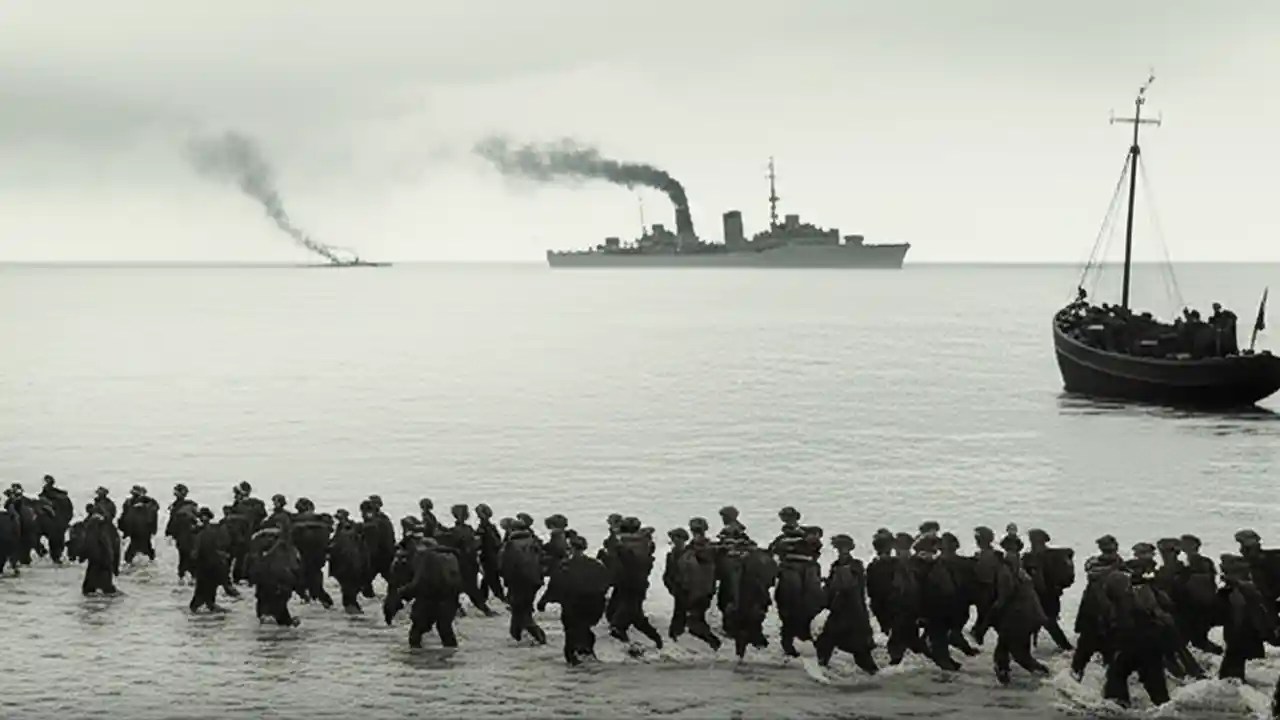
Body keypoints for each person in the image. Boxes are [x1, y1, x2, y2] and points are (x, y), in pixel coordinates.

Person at [814, 534, 877, 673]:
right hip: (840, 611)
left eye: (844, 547)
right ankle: (821, 670)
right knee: (824, 644)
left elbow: (850, 586)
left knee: (860, 651)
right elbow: (832, 588)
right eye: (838, 548)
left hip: (853, 612)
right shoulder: (836, 565)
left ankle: (875, 674)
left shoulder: (855, 565)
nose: (841, 550)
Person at [1021, 529, 1074, 651]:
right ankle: (1032, 647)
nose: (1034, 543)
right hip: (1035, 595)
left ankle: (1067, 648)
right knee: (1035, 624)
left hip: (1049, 596)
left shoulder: (1052, 557)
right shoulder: (1028, 557)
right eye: (1032, 540)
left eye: (1036, 540)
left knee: (1049, 623)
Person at [166, 484, 200, 583]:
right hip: (188, 536)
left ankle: (183, 578)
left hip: (184, 536)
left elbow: (172, 522)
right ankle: (190, 578)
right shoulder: (190, 505)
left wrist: (169, 533)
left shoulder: (178, 507)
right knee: (189, 557)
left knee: (184, 557)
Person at [118, 485, 160, 563]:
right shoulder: (128, 502)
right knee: (134, 551)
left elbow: (153, 512)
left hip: (144, 531)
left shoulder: (149, 502)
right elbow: (124, 516)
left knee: (144, 549)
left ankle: (151, 562)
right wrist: (124, 529)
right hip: (134, 531)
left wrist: (144, 506)